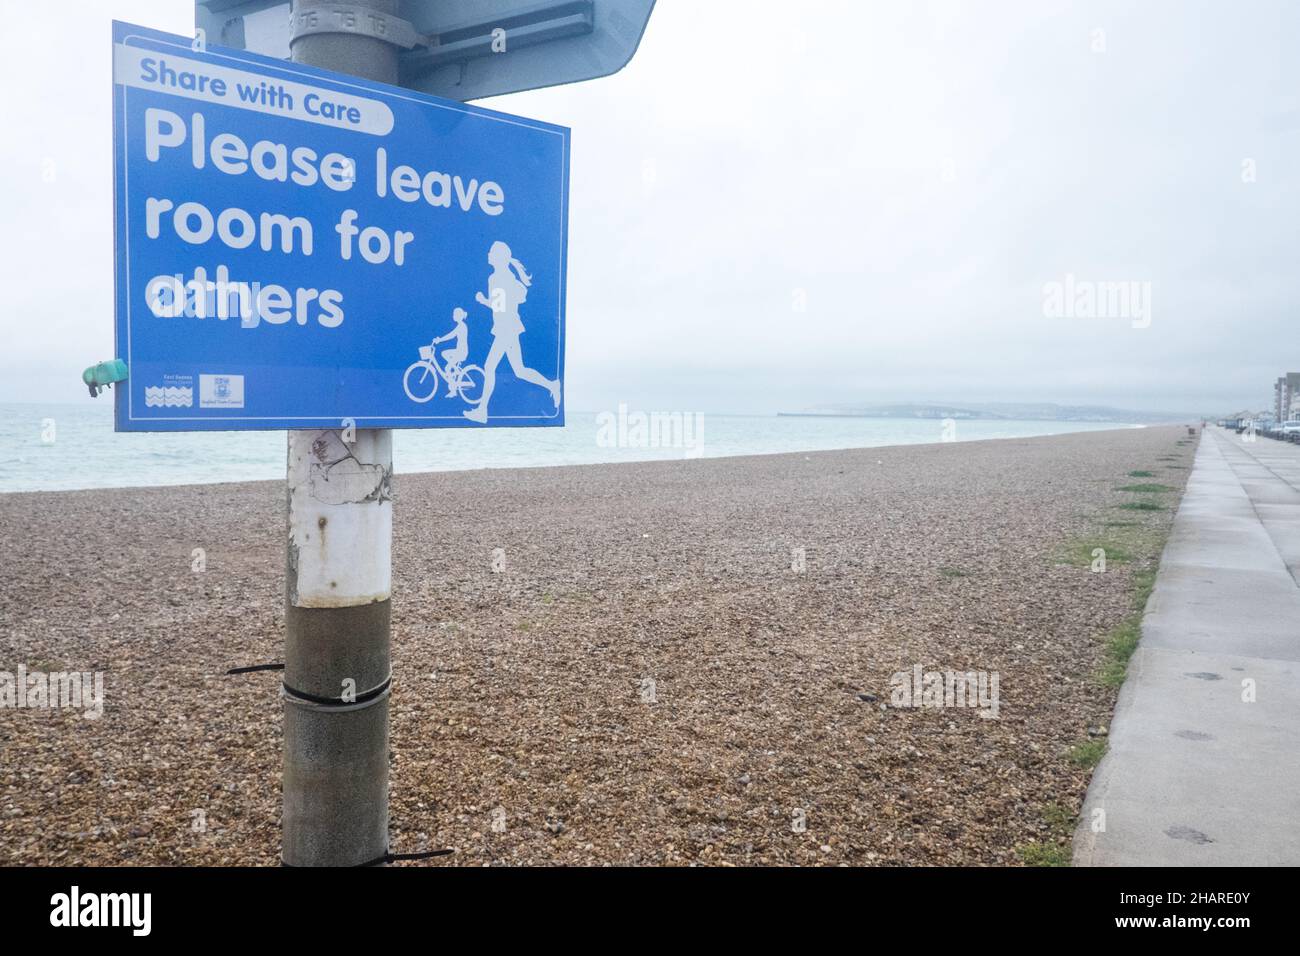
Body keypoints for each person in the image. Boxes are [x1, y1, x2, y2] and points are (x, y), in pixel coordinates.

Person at [464, 240, 559, 423]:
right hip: (508, 326)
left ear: (499, 258)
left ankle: (482, 411)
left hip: (505, 328)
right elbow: (509, 300)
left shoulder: (497, 278)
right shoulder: (506, 277)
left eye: (491, 252)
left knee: (489, 367)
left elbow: (498, 306)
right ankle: (552, 385)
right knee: (519, 370)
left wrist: (482, 300)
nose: (488, 254)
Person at [431, 307, 469, 383]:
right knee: (444, 353)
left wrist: (439, 340)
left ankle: (453, 388)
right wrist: (440, 339)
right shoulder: (461, 325)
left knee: (447, 368)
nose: (453, 316)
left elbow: (451, 335)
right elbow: (452, 334)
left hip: (461, 352)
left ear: (458, 316)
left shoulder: (461, 326)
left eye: (454, 315)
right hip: (460, 351)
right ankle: (456, 369)